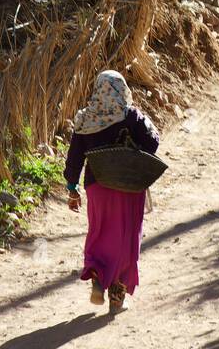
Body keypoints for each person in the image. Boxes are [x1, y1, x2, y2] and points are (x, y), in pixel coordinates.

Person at [65, 69, 160, 313]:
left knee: (99, 232)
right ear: (121, 89)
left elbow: (74, 158)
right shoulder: (129, 115)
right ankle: (117, 293)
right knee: (126, 236)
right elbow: (153, 142)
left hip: (97, 187)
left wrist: (72, 187)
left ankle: (98, 273)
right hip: (128, 185)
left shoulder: (85, 119)